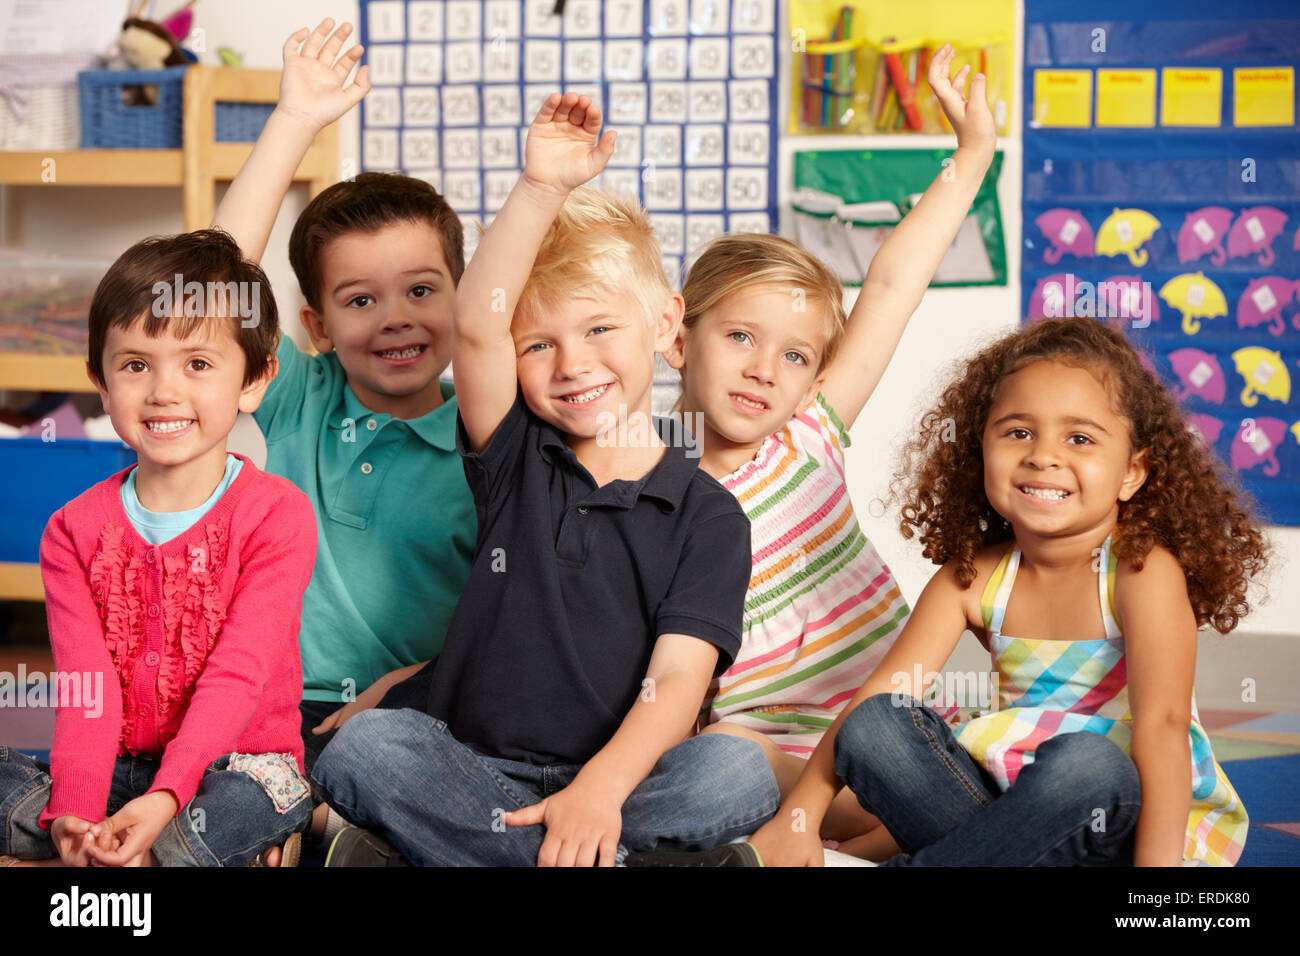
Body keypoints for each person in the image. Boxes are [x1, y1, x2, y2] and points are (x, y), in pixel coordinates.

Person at [311, 92, 779, 866]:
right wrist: (540, 187)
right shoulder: (517, 453)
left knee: (736, 771)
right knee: (366, 748)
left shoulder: (708, 516)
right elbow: (475, 323)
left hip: (625, 782)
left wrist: (597, 791)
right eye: (539, 346)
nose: (573, 365)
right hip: (475, 770)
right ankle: (595, 859)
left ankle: (499, 851)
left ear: (666, 326)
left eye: (600, 328)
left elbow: (679, 679)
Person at [743, 316, 1266, 866]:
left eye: (1080, 438)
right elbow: (876, 701)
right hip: (1011, 826)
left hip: (1115, 829)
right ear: (981, 448)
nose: (1043, 455)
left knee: (1087, 763)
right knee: (876, 724)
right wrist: (795, 818)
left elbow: (1162, 727)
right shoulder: (973, 576)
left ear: (1132, 473)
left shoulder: (1140, 571)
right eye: (1018, 432)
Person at [661, 43, 994, 859]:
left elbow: (889, 287)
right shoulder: (649, 487)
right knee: (718, 759)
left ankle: (847, 844)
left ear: (814, 380)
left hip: (893, 729)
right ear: (678, 335)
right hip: (767, 748)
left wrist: (971, 154)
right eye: (740, 335)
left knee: (988, 775)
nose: (763, 369)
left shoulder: (810, 433)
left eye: (795, 355)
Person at [209, 20, 476, 813]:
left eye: (422, 290)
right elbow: (214, 278)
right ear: (317, 326)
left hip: (419, 716)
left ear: (464, 301)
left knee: (377, 775)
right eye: (361, 300)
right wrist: (295, 119)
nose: (396, 318)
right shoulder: (297, 393)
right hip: (271, 709)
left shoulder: (489, 440)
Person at [0, 230, 316, 867]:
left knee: (258, 801)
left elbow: (237, 676)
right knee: (38, 787)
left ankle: (147, 852)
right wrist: (79, 811)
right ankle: (109, 847)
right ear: (100, 380)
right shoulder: (70, 530)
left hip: (240, 768)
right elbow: (88, 688)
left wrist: (170, 796)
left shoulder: (277, 515)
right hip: (122, 770)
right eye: (136, 364)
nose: (163, 391)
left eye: (197, 364)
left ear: (254, 381)